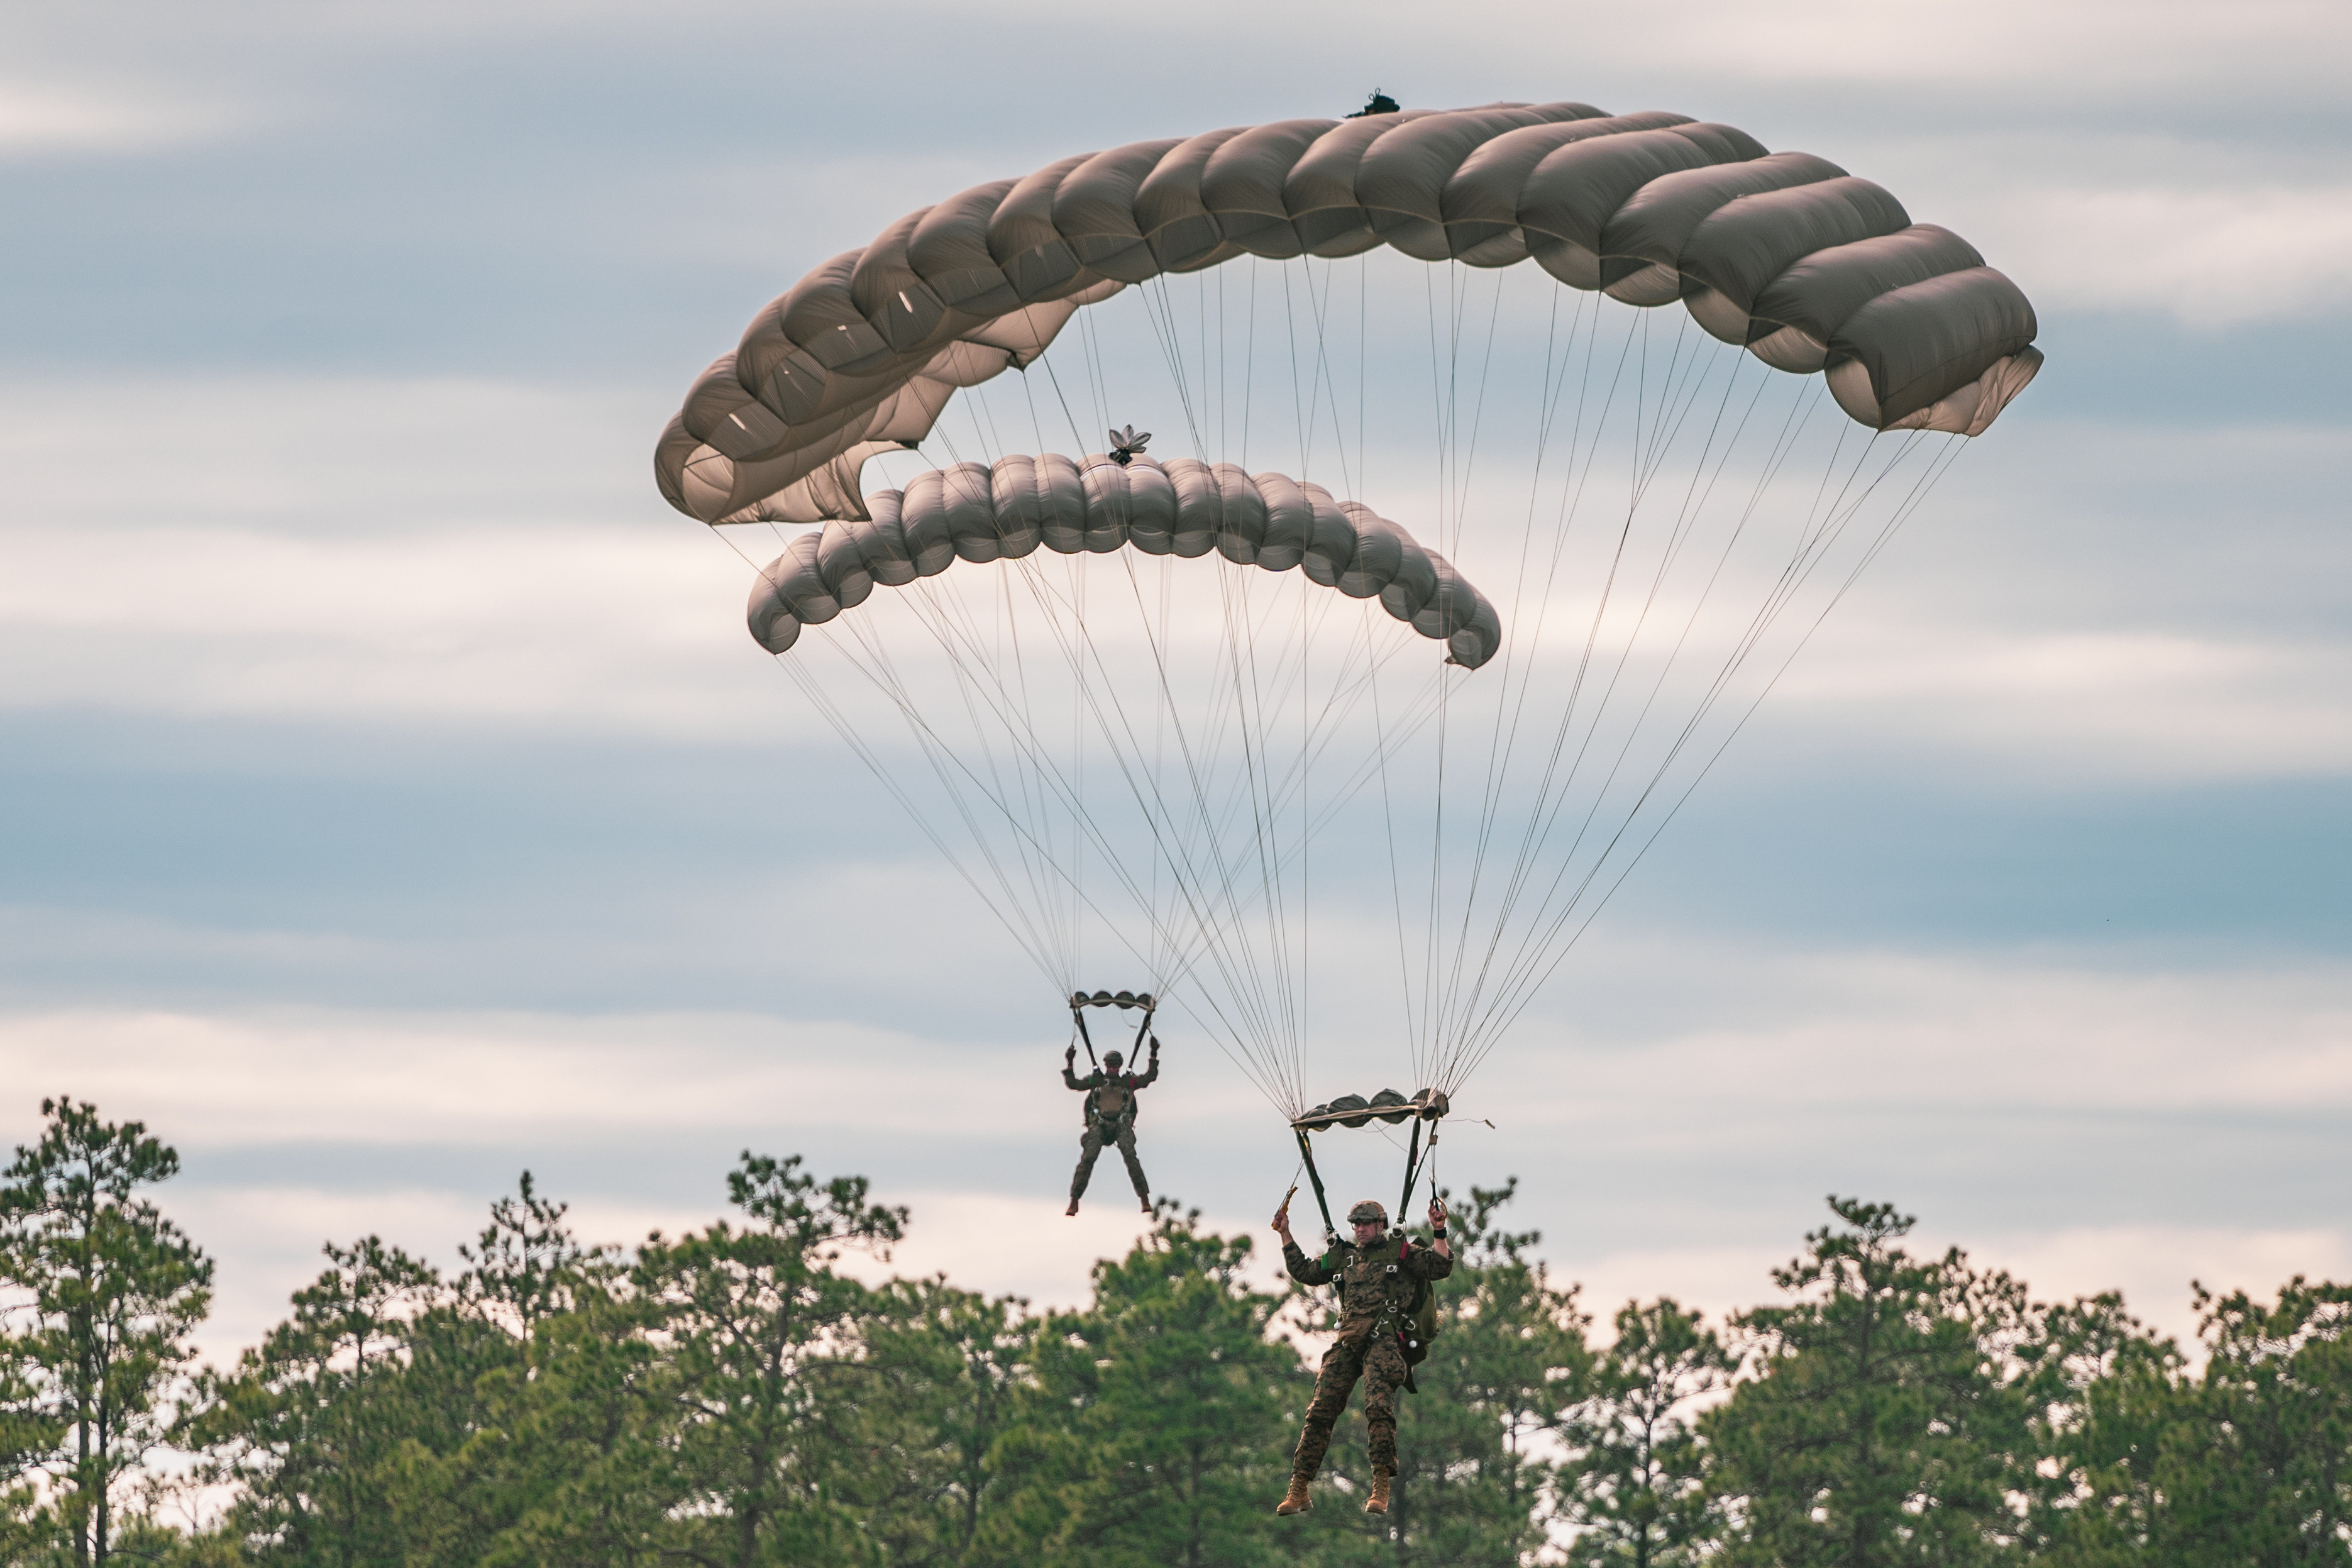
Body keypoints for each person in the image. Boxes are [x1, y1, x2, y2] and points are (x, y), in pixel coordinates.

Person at [1273, 1195, 1452, 1518]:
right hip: (1348, 1339)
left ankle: (1381, 1486)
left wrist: (1439, 1231)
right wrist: (1286, 1234)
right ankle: (1299, 1487)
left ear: (1381, 1225)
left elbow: (1440, 1267)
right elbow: (1306, 1271)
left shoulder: (1401, 1253)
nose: (1360, 1229)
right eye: (1355, 1224)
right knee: (1320, 1410)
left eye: (1366, 1223)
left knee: (1378, 1409)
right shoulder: (1343, 1257)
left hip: (1384, 1339)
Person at [1063, 1036, 1159, 1216]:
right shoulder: (1096, 1081)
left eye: (1116, 1066)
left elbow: (1149, 1078)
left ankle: (1144, 1199)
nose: (1113, 1069)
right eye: (1110, 1066)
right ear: (1106, 1065)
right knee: (1087, 1159)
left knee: (1131, 1157)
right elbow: (1073, 1084)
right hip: (1099, 1125)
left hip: (1121, 1124)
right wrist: (1070, 1062)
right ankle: (1074, 1201)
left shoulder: (1127, 1083)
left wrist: (1153, 1054)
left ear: (1120, 1066)